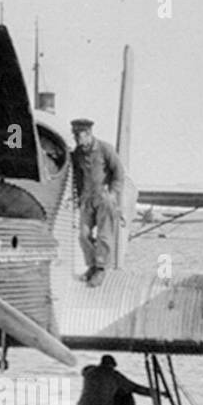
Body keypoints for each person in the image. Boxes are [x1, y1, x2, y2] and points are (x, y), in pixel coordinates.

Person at [70, 119, 125, 287]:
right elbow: (77, 175)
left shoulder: (105, 149)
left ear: (88, 134)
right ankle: (92, 266)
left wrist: (113, 194)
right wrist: (79, 197)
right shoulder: (78, 153)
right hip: (86, 198)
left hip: (103, 197)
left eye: (79, 136)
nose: (77, 140)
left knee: (104, 235)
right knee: (83, 235)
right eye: (75, 136)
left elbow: (119, 173)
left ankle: (101, 269)